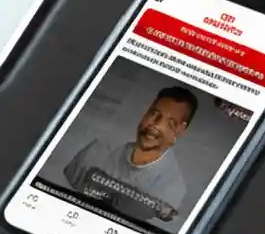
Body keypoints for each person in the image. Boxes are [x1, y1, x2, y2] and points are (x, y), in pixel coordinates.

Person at [63, 86, 195, 224]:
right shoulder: (98, 150)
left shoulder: (173, 190)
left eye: (170, 122)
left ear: (180, 129)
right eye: (153, 114)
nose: (155, 125)